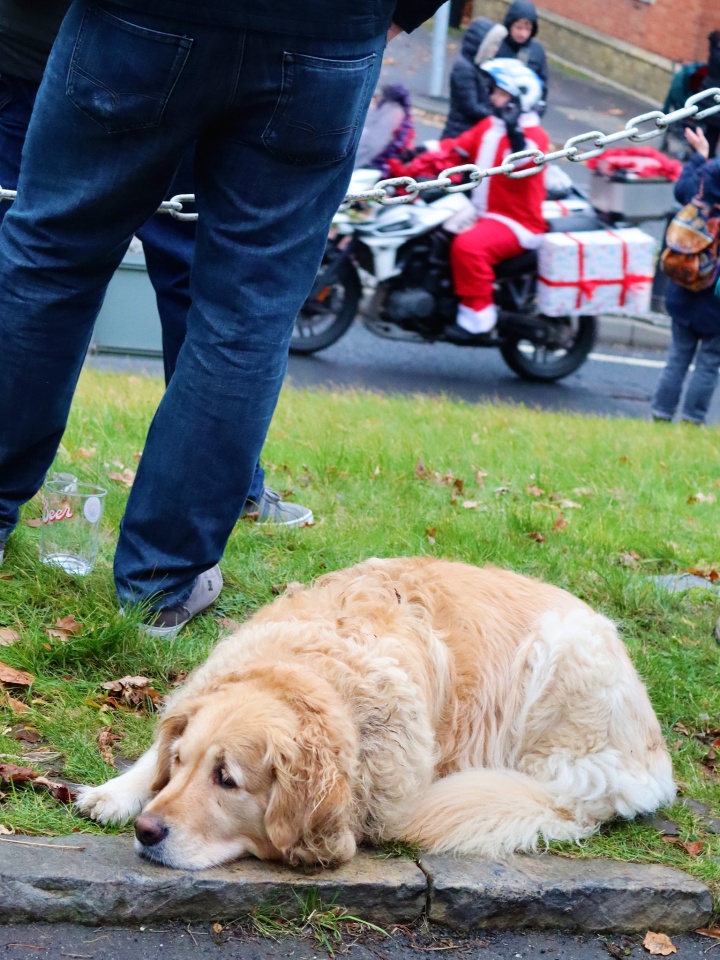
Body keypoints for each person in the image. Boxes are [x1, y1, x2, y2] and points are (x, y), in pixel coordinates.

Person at [0, 0, 444, 635]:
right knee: (247, 311)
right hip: (328, 28)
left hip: (145, 15)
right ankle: (162, 583)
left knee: (52, 259)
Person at [0, 0, 313, 530]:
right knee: (44, 271)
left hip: (147, 42)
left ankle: (227, 492)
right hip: (95, 45)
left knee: (50, 269)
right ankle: (206, 518)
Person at [397, 59, 548, 342]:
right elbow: (458, 147)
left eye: (501, 94)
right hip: (482, 212)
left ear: (520, 99)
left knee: (469, 246)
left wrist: (516, 135)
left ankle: (478, 319)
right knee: (432, 233)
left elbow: (526, 166)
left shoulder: (533, 136)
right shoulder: (491, 126)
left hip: (516, 222)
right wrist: (418, 152)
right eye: (495, 92)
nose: (493, 98)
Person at [651, 127, 720, 425]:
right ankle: (692, 420)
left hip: (685, 287)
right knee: (709, 363)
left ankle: (661, 414)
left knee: (677, 357)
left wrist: (701, 157)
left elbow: (682, 188)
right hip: (716, 300)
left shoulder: (702, 190)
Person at [441, 17, 507, 139]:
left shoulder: (478, 67)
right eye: (492, 44)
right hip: (458, 136)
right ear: (482, 45)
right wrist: (497, 115)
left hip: (467, 134)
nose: (496, 49)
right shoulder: (464, 69)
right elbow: (471, 107)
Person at [495, 1, 548, 104]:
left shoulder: (537, 51)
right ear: (509, 25)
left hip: (524, 107)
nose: (523, 34)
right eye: (518, 28)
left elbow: (542, 86)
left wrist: (539, 107)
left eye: (528, 29)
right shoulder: (497, 44)